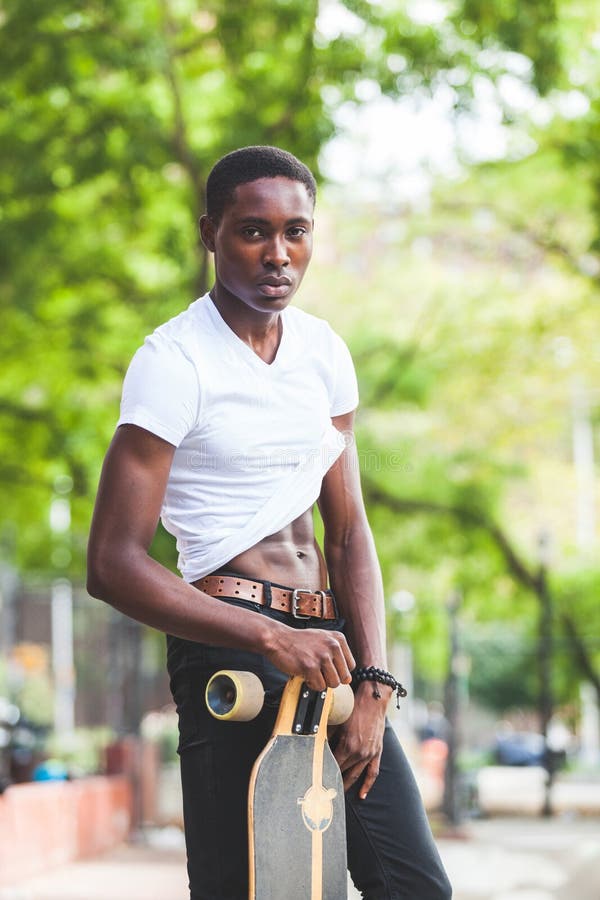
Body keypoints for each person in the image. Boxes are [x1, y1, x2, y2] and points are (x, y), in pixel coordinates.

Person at [87, 146, 452, 900]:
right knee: (251, 890)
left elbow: (347, 533)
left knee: (414, 885)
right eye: (254, 231)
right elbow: (113, 563)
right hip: (231, 648)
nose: (278, 253)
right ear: (210, 234)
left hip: (330, 653)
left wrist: (375, 680)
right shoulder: (174, 361)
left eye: (296, 231)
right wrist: (270, 638)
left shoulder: (323, 352)